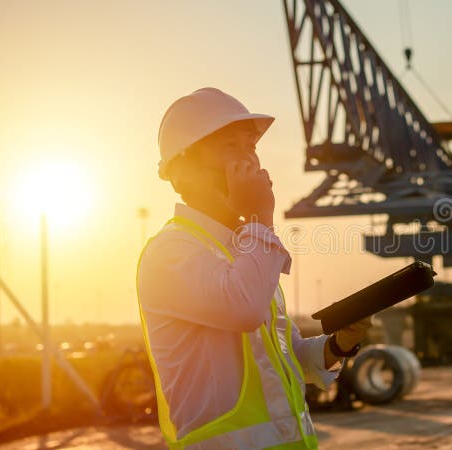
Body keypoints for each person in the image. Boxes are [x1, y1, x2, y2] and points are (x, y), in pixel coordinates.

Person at [137, 87, 371, 449]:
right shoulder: (170, 252)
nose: (249, 161)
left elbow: (285, 355)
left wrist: (338, 345)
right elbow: (244, 309)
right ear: (183, 170)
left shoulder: (246, 249)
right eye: (231, 147)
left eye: (251, 147)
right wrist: (260, 216)